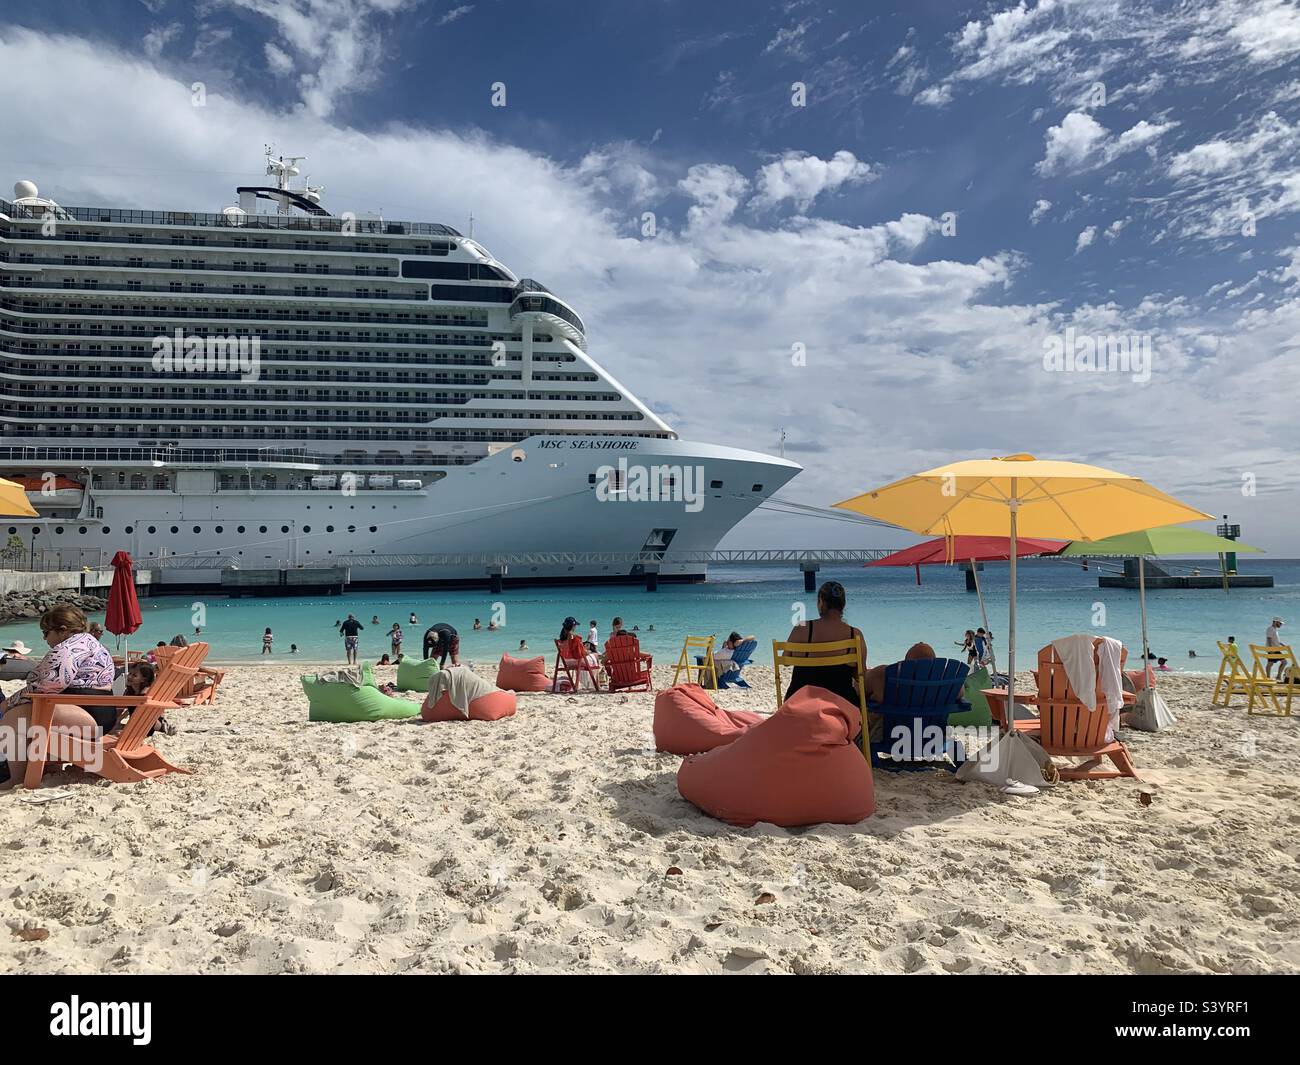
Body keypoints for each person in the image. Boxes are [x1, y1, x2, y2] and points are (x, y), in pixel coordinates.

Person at [0, 605, 116, 787]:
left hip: (86, 714)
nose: (44, 638)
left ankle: (14, 778)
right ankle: (44, 767)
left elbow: (44, 688)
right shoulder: (91, 643)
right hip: (101, 712)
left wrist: (9, 703)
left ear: (62, 631)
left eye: (46, 632)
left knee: (14, 718)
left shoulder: (68, 649)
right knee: (28, 712)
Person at [782, 580, 866, 707]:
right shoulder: (855, 634)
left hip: (799, 703)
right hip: (841, 704)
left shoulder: (802, 628)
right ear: (843, 604)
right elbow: (860, 674)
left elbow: (786, 661)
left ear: (821, 602)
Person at [558, 617, 600, 688]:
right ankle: (596, 684)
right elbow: (580, 654)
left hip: (567, 662)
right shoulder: (575, 637)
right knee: (596, 655)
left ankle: (592, 684)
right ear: (573, 626)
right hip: (578, 662)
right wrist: (588, 652)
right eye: (575, 626)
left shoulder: (561, 639)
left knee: (593, 655)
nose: (575, 627)